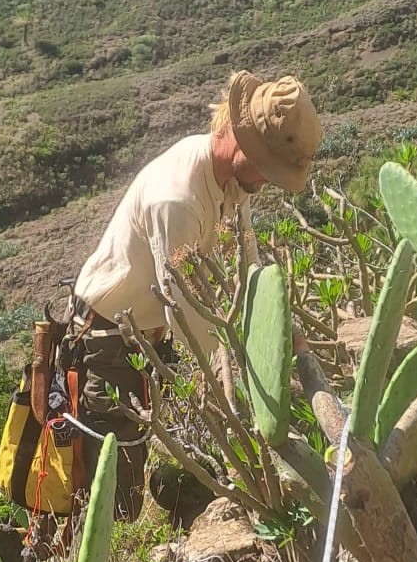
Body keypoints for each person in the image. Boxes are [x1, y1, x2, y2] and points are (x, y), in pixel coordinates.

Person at [65, 68, 324, 521]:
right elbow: (181, 302)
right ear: (241, 142)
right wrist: (237, 383)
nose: (265, 182)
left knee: (149, 444)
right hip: (108, 336)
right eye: (266, 169)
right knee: (116, 473)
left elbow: (246, 263)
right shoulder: (179, 200)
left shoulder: (232, 181)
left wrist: (273, 329)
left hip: (149, 330)